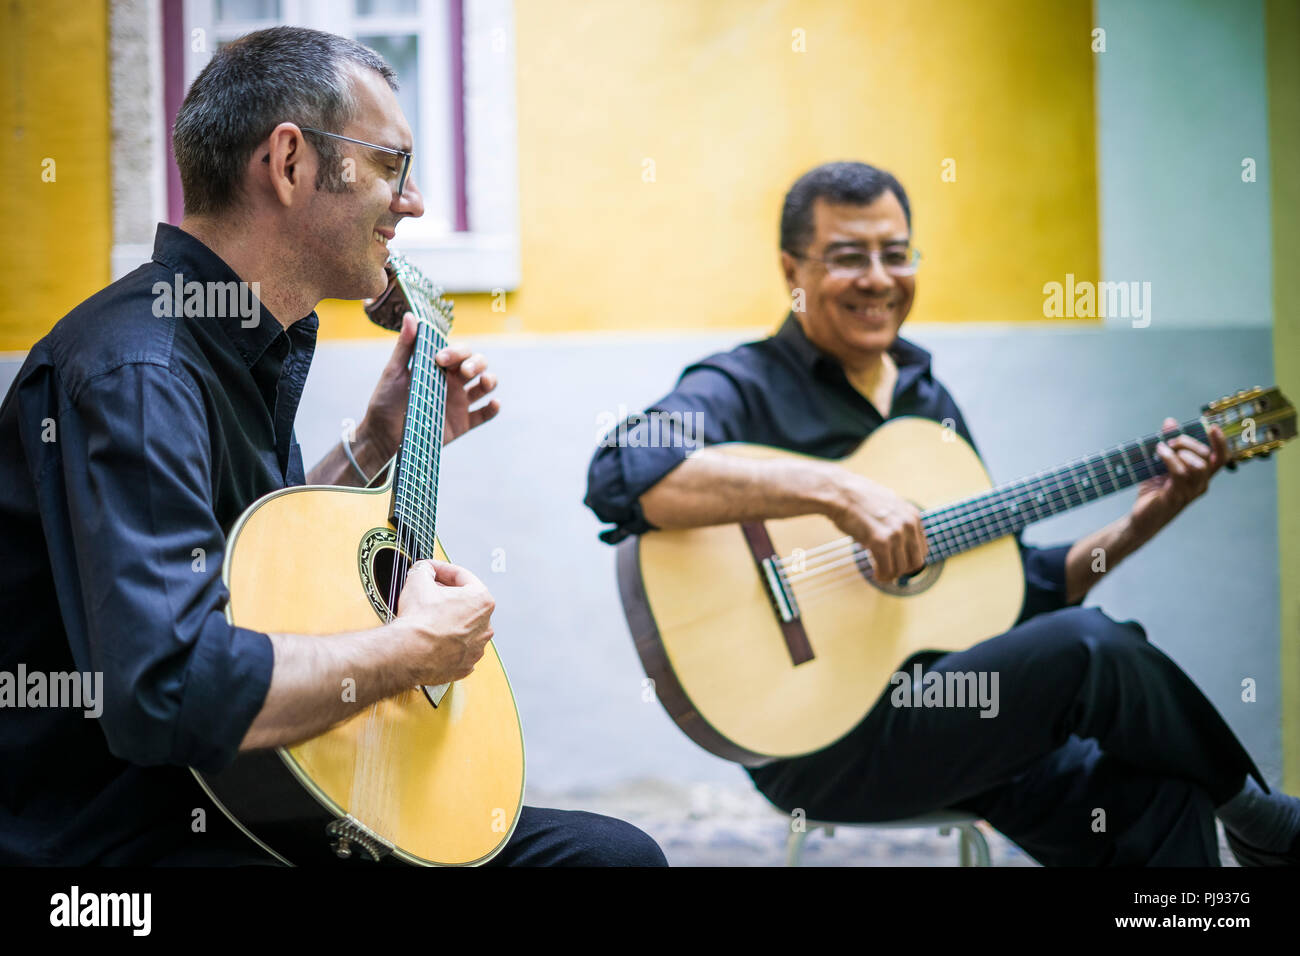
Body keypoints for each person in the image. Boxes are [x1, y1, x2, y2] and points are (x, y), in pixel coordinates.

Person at [0, 26, 664, 868]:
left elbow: (248, 571)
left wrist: (375, 442)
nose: (415, 202)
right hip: (133, 840)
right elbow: (167, 688)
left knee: (600, 852)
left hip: (262, 797)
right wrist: (411, 650)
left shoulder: (236, 344)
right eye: (392, 165)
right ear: (290, 164)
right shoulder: (141, 371)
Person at [584, 160, 1299, 866]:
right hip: (817, 744)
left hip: (954, 714)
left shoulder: (929, 404)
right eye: (846, 257)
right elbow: (623, 472)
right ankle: (1255, 814)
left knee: (1153, 792)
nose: (877, 278)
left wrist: (1143, 521)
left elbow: (1017, 591)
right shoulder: (739, 385)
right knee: (1090, 645)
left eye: (895, 254)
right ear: (790, 270)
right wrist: (839, 495)